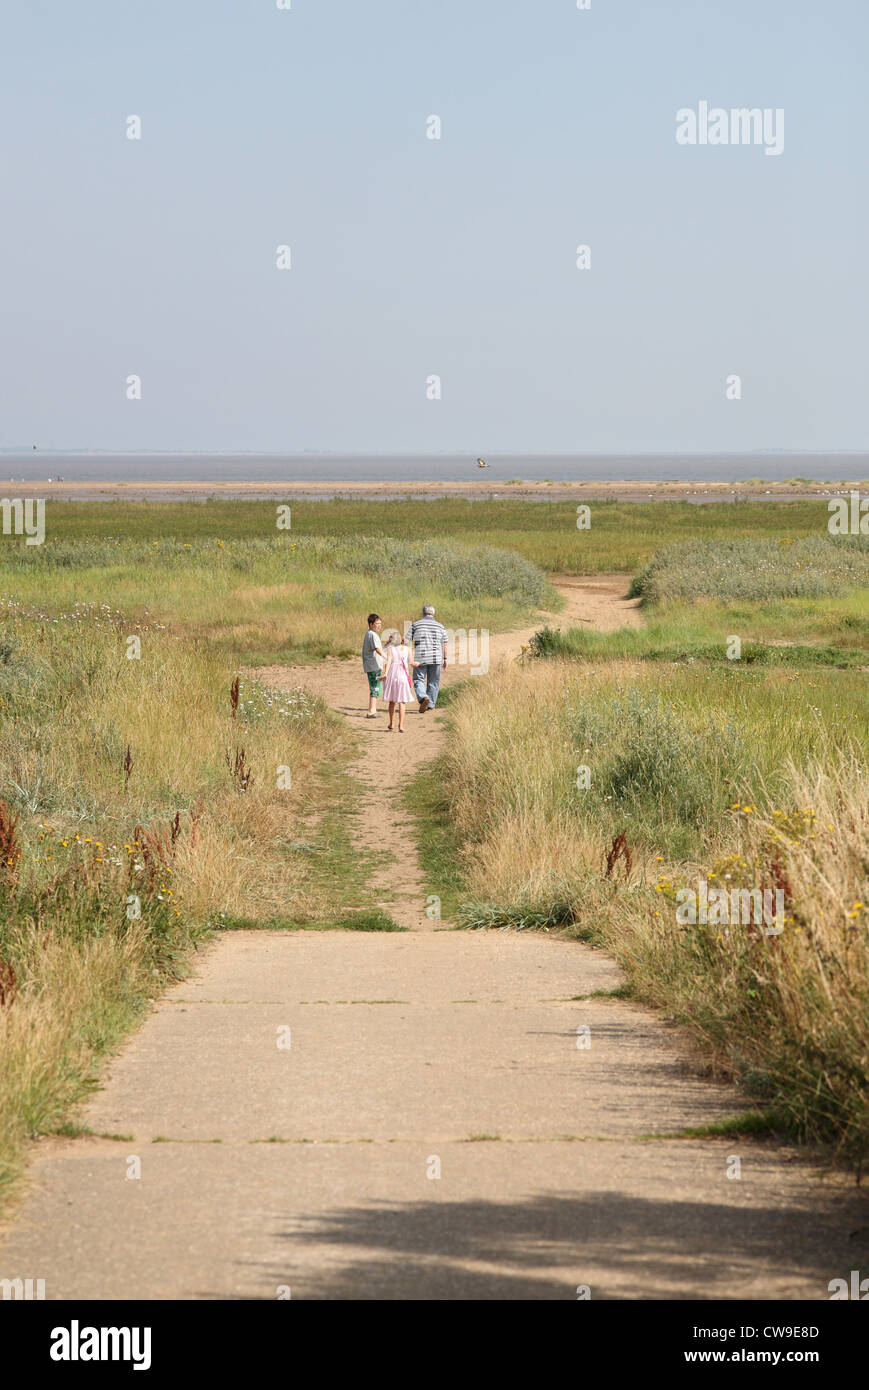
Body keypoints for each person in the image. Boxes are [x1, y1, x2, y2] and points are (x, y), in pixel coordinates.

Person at [409, 604, 448, 712]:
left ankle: (422, 697)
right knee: (434, 681)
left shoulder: (416, 625)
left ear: (423, 613)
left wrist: (410, 657)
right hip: (436, 658)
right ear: (433, 613)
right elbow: (445, 643)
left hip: (420, 658)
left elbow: (407, 641)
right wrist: (445, 658)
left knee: (419, 679)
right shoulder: (440, 626)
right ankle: (430, 704)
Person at [380, 629, 417, 732]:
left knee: (392, 701)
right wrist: (417, 664)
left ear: (392, 640)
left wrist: (386, 674)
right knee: (402, 702)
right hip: (403, 677)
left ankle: (391, 723)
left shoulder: (391, 650)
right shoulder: (408, 649)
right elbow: (412, 663)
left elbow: (388, 663)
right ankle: (401, 726)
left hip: (392, 676)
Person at [361, 613, 384, 718]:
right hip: (373, 666)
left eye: (380, 623)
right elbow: (377, 649)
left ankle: (373, 710)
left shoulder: (371, 634)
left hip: (373, 665)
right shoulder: (372, 634)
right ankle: (371, 711)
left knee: (375, 687)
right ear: (371, 624)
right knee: (374, 687)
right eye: (376, 623)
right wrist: (387, 657)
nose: (379, 625)